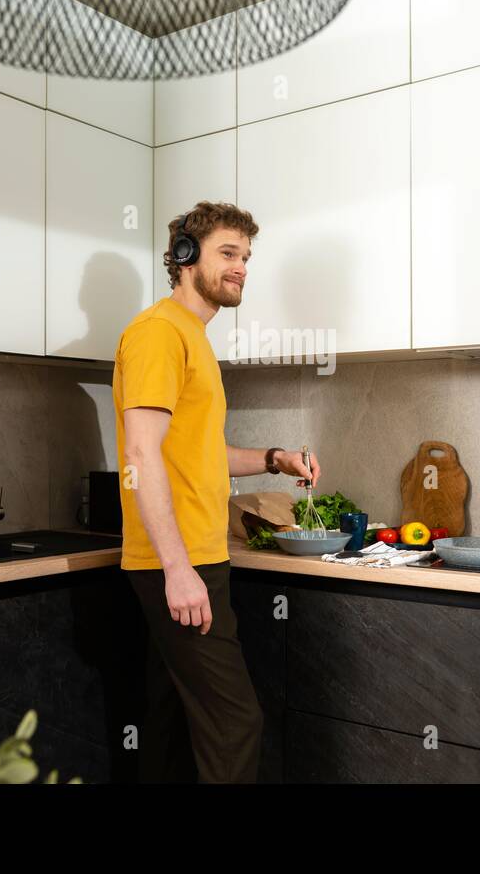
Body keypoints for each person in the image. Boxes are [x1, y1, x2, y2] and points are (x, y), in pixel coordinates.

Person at [113, 200, 320, 783]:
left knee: (175, 724)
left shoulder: (192, 337)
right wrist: (178, 570)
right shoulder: (158, 334)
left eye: (246, 257)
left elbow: (199, 451)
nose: (242, 268)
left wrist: (275, 460)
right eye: (228, 253)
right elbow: (140, 452)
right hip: (178, 560)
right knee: (235, 724)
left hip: (197, 553)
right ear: (184, 257)